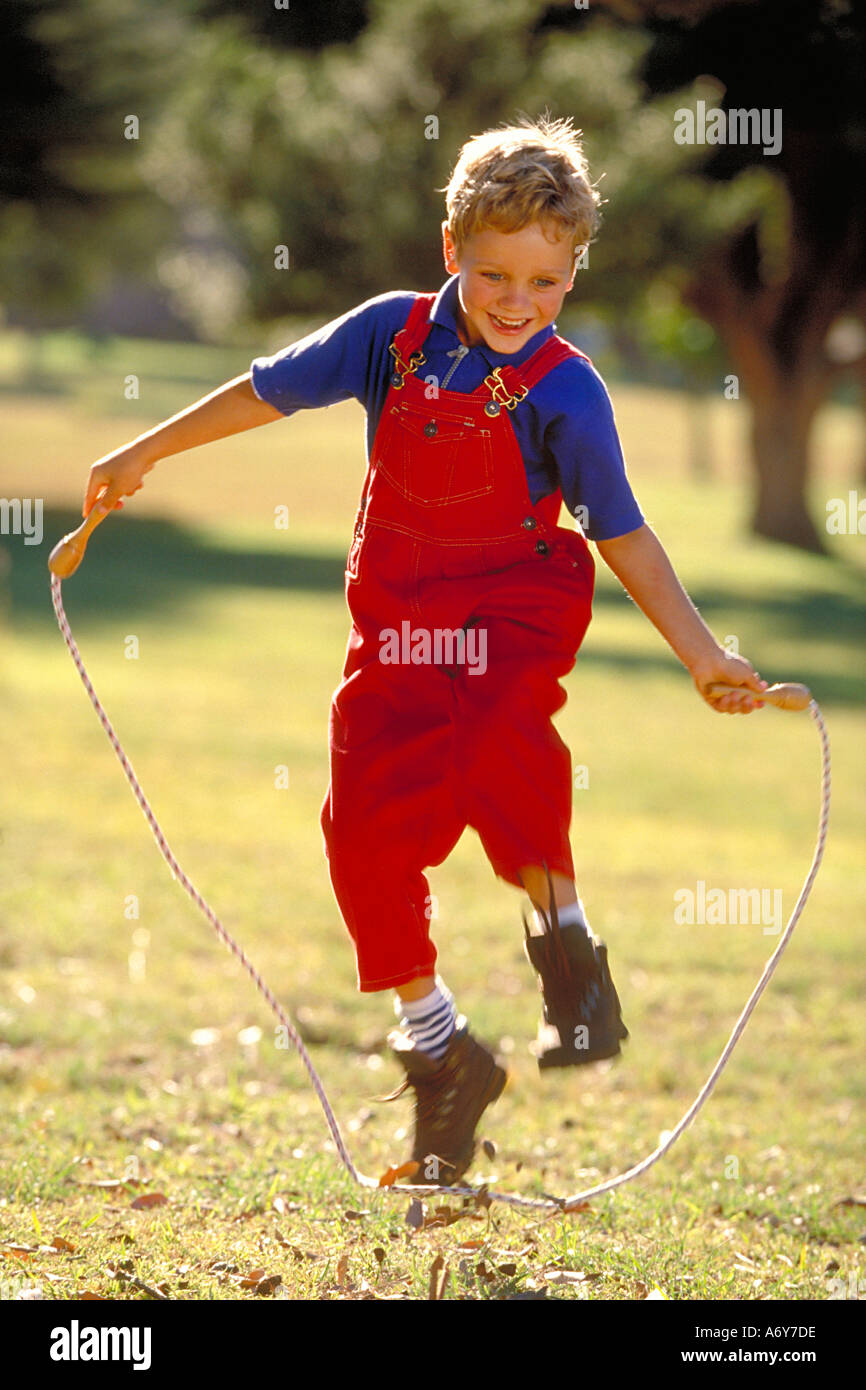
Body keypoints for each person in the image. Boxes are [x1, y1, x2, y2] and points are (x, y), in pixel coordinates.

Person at [82, 115, 767, 1188]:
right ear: (451, 252)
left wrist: (700, 654)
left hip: (512, 607)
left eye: (543, 282)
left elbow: (621, 528)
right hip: (395, 623)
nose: (513, 300)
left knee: (497, 736)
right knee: (359, 827)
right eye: (493, 272)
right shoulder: (386, 336)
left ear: (571, 275)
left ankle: (567, 950)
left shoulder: (565, 390)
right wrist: (142, 449)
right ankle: (441, 1053)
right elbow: (264, 386)